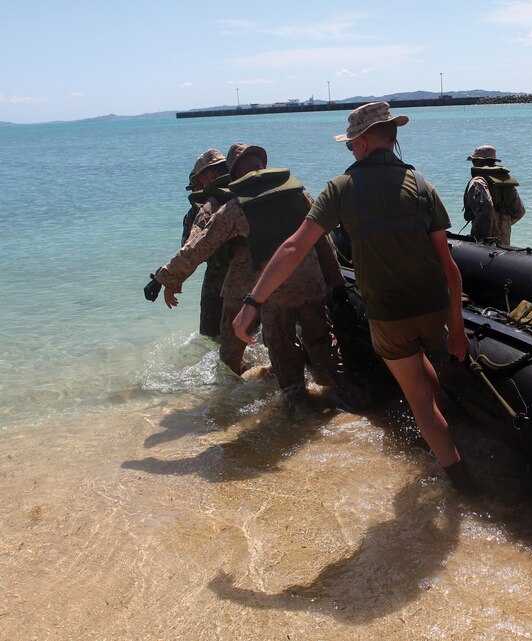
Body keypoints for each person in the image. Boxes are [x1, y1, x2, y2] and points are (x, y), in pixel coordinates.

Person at [232, 102, 477, 493]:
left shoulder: (341, 189)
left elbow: (295, 248)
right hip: (433, 308)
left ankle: (463, 487)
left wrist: (252, 303)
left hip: (390, 315)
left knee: (421, 405)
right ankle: (448, 428)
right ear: (390, 139)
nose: (350, 152)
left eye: (350, 146)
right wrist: (458, 329)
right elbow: (449, 265)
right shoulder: (422, 185)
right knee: (420, 370)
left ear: (362, 144)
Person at [153, 142, 347, 401]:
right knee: (323, 345)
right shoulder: (296, 191)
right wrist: (334, 281)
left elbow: (200, 246)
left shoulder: (236, 206)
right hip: (311, 285)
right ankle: (341, 398)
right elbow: (322, 237)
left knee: (283, 355)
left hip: (273, 292)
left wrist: (166, 278)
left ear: (234, 176)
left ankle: (297, 413)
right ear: (263, 167)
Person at [181, 149, 232, 339]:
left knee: (213, 337)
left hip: (218, 282)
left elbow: (189, 252)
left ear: (207, 177)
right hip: (260, 279)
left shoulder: (200, 211)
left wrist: (171, 281)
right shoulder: (247, 195)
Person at [463, 145, 525, 244]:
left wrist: (481, 241)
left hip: (485, 241)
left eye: (474, 160)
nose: (473, 163)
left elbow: (485, 210)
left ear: (479, 161)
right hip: (504, 238)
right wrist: (505, 222)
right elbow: (520, 211)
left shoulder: (477, 182)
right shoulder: (505, 181)